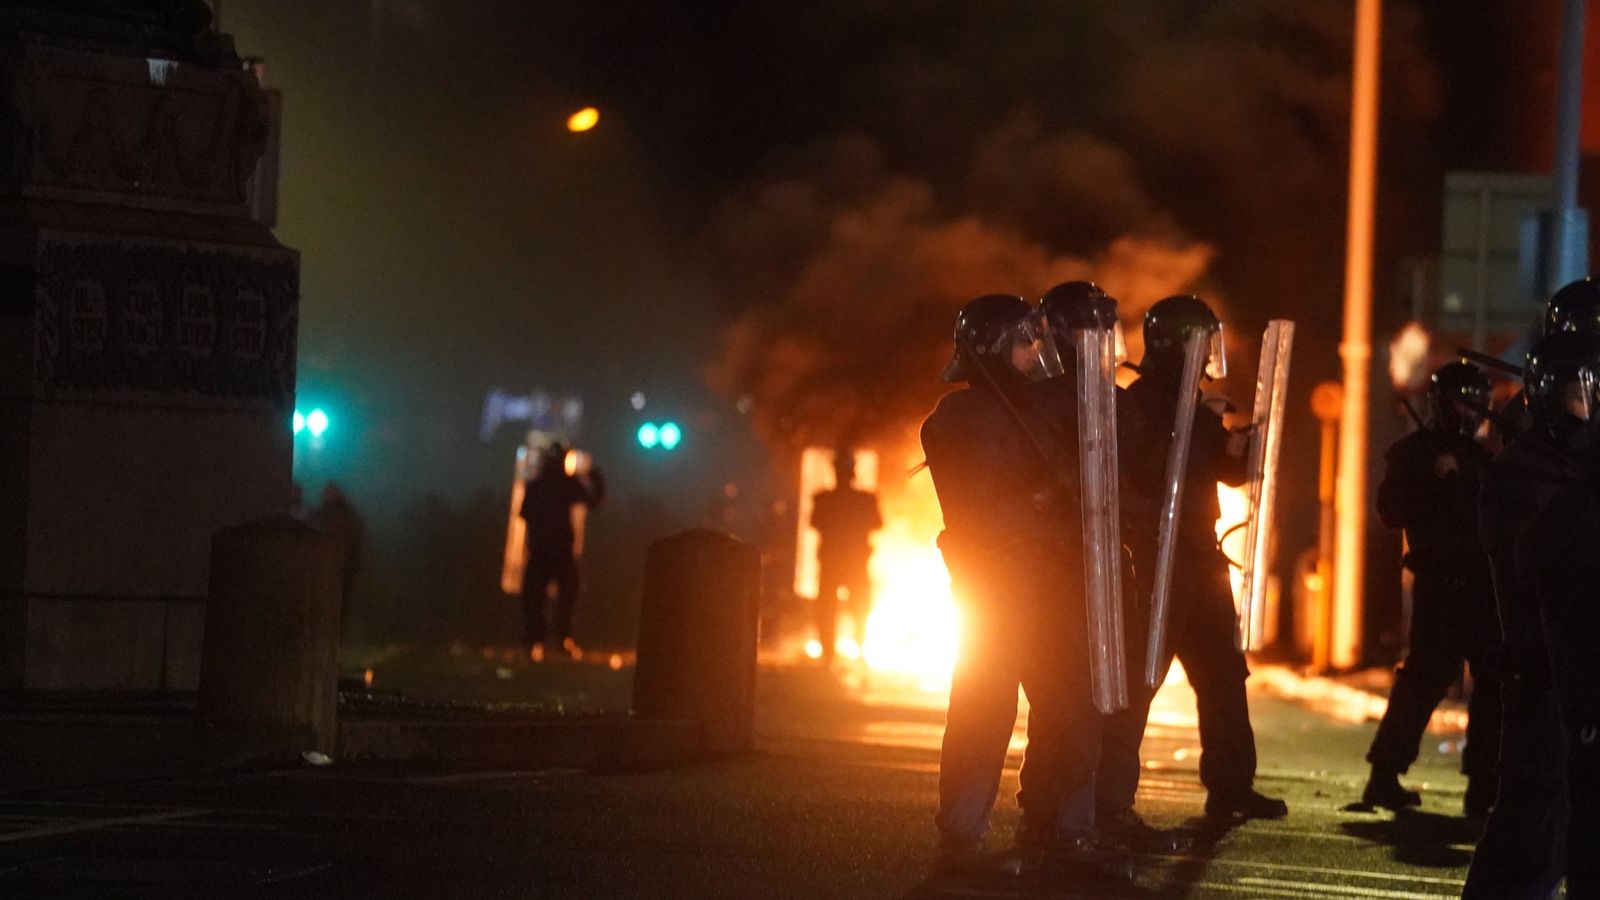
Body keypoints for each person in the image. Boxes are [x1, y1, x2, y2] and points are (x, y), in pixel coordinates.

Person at [921, 293, 1129, 884]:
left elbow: (1109, 423)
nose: (1035, 352)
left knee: (1069, 706)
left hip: (1047, 584)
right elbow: (980, 502)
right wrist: (1039, 498)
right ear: (991, 348)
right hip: (995, 585)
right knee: (985, 708)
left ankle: (1059, 829)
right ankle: (962, 837)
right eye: (1022, 341)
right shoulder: (956, 419)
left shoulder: (1038, 407)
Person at [1116, 294, 1288, 822]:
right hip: (1154, 561)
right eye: (1202, 341)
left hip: (1199, 558)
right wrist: (1197, 432)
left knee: (1223, 677)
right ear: (1179, 346)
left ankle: (1232, 784)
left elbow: (1226, 473)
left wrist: (1241, 446)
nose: (1211, 353)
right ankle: (1109, 798)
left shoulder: (1193, 406)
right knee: (1139, 681)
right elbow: (1137, 477)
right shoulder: (1139, 404)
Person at [1465, 330, 1600, 898]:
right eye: (1582, 394)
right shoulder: (1530, 473)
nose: (1591, 410)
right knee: (1528, 849)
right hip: (1545, 681)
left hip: (1574, 683)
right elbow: (1556, 567)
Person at [1361, 362, 1503, 814]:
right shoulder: (1412, 455)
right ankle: (1384, 774)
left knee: (1494, 684)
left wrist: (1465, 474)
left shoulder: (1485, 461)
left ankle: (1483, 784)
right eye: (1464, 401)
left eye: (1478, 403)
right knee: (1424, 680)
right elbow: (1390, 513)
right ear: (1443, 403)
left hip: (1486, 586)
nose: (1471, 411)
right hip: (1441, 583)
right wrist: (1432, 476)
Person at [519, 442, 605, 662]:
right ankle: (542, 641)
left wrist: (595, 480)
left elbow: (593, 502)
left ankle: (554, 640)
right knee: (540, 599)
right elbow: (594, 501)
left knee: (557, 596)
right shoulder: (556, 485)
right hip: (547, 550)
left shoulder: (545, 485)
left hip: (550, 550)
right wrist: (595, 480)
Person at [809, 451, 882, 665]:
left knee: (846, 607)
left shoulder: (825, 498)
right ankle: (836, 653)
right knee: (851, 607)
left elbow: (815, 523)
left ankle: (836, 654)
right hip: (850, 561)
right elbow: (876, 524)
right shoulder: (863, 499)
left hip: (842, 560)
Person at [311, 482, 365, 637]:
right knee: (325, 600)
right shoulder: (321, 514)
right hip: (325, 566)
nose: (329, 496)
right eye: (328, 493)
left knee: (341, 601)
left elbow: (356, 538)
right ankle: (326, 632)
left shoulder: (347, 515)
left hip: (344, 565)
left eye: (332, 492)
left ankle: (338, 633)